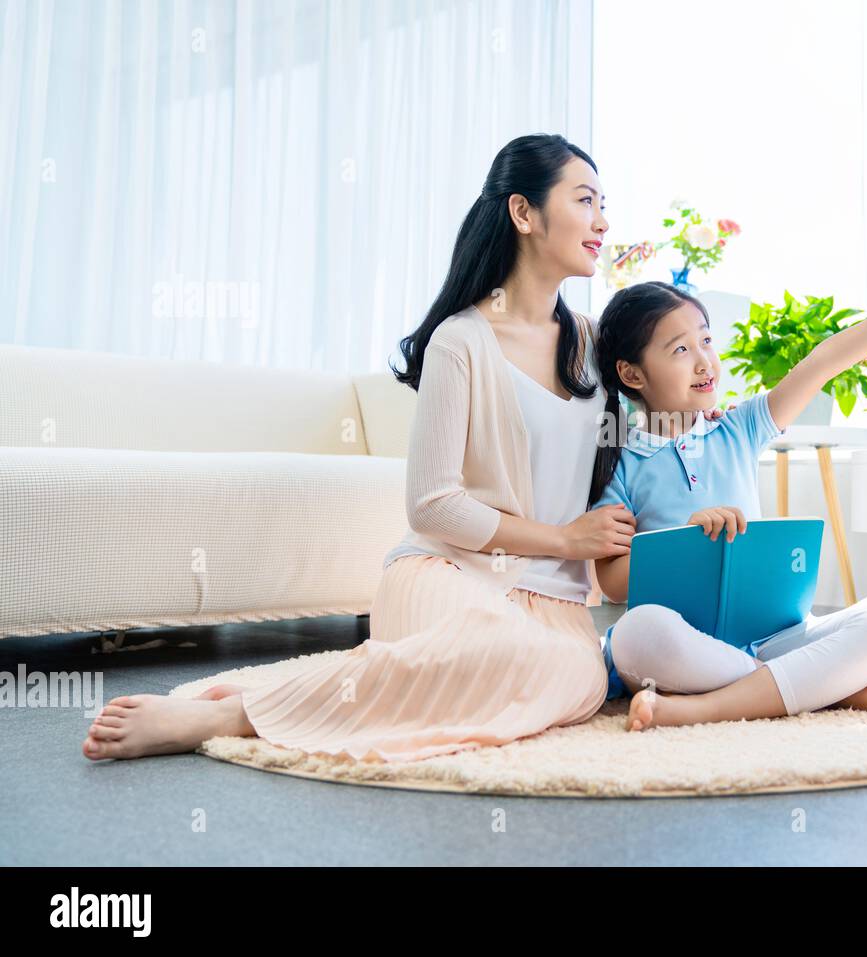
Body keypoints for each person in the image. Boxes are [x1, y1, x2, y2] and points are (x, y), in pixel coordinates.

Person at [81, 133, 739, 763]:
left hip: (556, 607)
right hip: (448, 574)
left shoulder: (597, 345)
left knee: (578, 682)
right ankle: (236, 714)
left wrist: (714, 416)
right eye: (585, 199)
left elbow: (648, 433)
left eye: (605, 205)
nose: (602, 220)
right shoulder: (461, 340)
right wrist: (565, 540)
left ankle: (336, 687)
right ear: (524, 212)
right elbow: (432, 505)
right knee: (493, 650)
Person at [589, 235, 867, 732]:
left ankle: (708, 705)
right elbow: (613, 583)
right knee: (636, 635)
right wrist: (685, 540)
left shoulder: (739, 427)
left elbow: (828, 359)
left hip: (773, 635)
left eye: (706, 340)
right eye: (680, 349)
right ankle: (813, 689)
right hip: (685, 644)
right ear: (631, 373)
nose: (705, 361)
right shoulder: (619, 459)